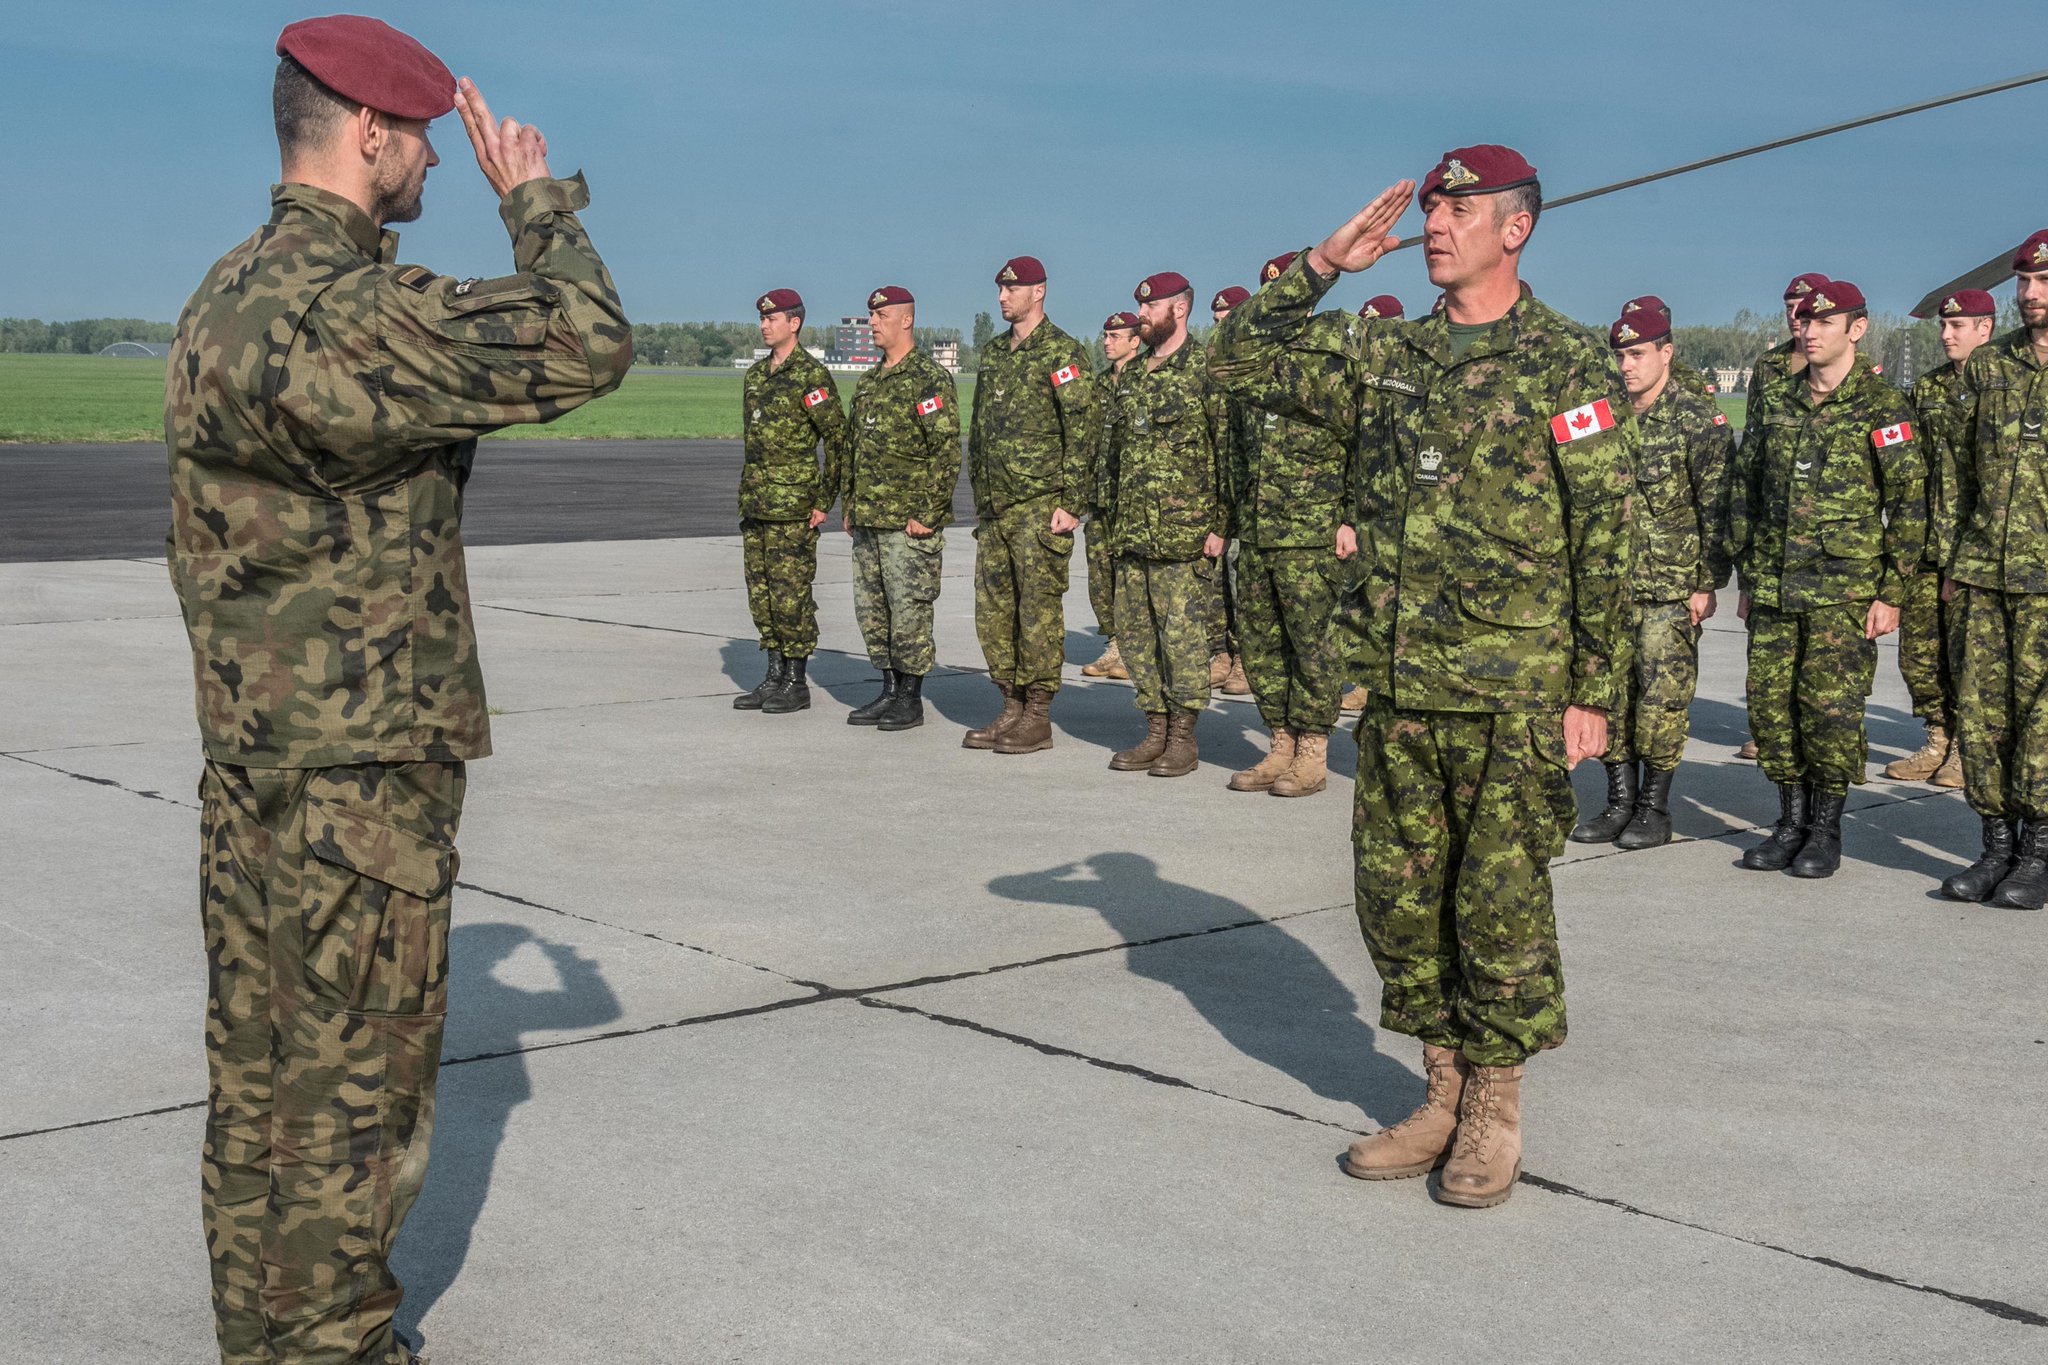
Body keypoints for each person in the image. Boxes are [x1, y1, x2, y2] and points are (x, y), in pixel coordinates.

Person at [164, 17, 631, 1362]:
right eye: (418, 133)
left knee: (261, 1079)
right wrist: (532, 198)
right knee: (356, 1091)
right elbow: (586, 338)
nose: (431, 156)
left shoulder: (220, 298)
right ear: (369, 134)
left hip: (250, 764)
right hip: (362, 776)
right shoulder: (363, 311)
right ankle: (335, 1346)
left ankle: (261, 1340)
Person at [1213, 146, 1636, 1209]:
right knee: (1397, 907)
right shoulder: (1385, 353)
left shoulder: (1566, 361)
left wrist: (1589, 689)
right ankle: (1438, 1091)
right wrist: (1321, 264)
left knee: (1494, 911)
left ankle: (1493, 1110)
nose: (1434, 224)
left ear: (1516, 227)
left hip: (1511, 689)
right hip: (1398, 686)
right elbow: (1233, 361)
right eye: (1431, 208)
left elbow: (1606, 531)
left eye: (1458, 209)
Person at [1730, 281, 1924, 878]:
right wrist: (1746, 573)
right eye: (1804, 321)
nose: (1809, 330)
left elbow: (1911, 503)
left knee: (1830, 713)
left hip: (1842, 592)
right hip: (1773, 586)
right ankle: (1788, 822)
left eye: (1825, 321)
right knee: (1772, 708)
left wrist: (1892, 591)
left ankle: (1825, 830)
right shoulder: (1776, 400)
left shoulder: (1882, 406)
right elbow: (1747, 488)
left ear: (1856, 329)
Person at [1569, 305, 1733, 847]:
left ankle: (1653, 809)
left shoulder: (1697, 420)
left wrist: (1706, 582)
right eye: (1619, 355)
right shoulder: (1597, 416)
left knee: (1661, 699)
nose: (1626, 366)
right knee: (1611, 694)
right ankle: (1617, 801)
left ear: (1666, 352)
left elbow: (1716, 507)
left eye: (1637, 354)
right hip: (1608, 586)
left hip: (1669, 586)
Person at [1224, 251, 1357, 797]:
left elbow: (1360, 443)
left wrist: (1348, 518)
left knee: (1313, 644)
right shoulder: (1250, 369)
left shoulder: (1331, 356)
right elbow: (1236, 452)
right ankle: (1279, 743)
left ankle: (1313, 752)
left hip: (1312, 530)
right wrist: (1233, 520)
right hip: (1258, 530)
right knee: (1259, 642)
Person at [1941, 235, 2048, 906]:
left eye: (2043, 281)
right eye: (2024, 282)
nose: (2031, 294)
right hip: (1986, 572)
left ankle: (2037, 851)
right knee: (1981, 717)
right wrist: (1954, 558)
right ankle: (1995, 847)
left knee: (2043, 724)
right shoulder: (1991, 366)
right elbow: (1954, 469)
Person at [962, 256, 1098, 752]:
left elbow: (1082, 431)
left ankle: (1037, 715)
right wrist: (979, 494)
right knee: (994, 612)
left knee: (1037, 612)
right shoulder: (996, 353)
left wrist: (1073, 503)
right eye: (1000, 289)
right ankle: (1010, 707)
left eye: (1012, 289)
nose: (1002, 297)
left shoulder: (1062, 352)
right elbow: (979, 431)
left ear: (1038, 292)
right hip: (997, 509)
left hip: (1041, 505)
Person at [1104, 271, 1230, 777]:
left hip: (1185, 535)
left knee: (1182, 639)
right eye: (1140, 307)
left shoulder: (1206, 370)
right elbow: (1117, 455)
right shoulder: (1132, 375)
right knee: (1137, 636)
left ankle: (1183, 738)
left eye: (1150, 308)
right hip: (1134, 532)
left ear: (1179, 310)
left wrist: (1222, 524)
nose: (1141, 316)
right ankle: (1154, 729)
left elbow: (1227, 452)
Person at [1887, 290, 1995, 785]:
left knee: (1971, 658)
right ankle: (1938, 738)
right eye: (1944, 327)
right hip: (1928, 543)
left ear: (1985, 329)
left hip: (1981, 549)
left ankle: (1968, 752)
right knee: (1920, 654)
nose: (1947, 335)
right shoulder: (1926, 390)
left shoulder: (2001, 385)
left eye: (1958, 326)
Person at [843, 285, 962, 732]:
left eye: (881, 316)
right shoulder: (870, 381)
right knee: (873, 611)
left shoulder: (928, 379)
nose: (873, 322)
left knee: (909, 610)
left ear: (906, 320)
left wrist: (928, 513)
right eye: (871, 316)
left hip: (908, 523)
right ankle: (888, 688)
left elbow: (945, 451)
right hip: (871, 519)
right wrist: (850, 502)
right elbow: (857, 448)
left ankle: (910, 697)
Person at [1731, 273, 1830, 760]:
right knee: (1766, 641)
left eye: (1806, 307)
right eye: (1791, 305)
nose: (1797, 315)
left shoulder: (1853, 372)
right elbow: (1753, 442)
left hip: (1825, 538)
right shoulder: (1768, 366)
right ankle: (1766, 728)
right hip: (1773, 525)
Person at [736, 288, 849, 714]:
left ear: (794, 323)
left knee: (791, 595)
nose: (764, 324)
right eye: (762, 319)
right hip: (757, 504)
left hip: (793, 508)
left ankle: (796, 682)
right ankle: (773, 675)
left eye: (772, 318)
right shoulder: (755, 377)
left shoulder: (812, 377)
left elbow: (837, 441)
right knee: (761, 594)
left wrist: (825, 499)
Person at [1081, 312, 1142, 680]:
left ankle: (1133, 650)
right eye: (1105, 335)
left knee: (1132, 576)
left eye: (1116, 335)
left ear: (1135, 341)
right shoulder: (1098, 384)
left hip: (1133, 499)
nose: (1107, 342)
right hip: (1100, 497)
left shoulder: (1147, 380)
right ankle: (1115, 643)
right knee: (1101, 573)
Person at [1203, 285, 1254, 694]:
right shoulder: (1212, 370)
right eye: (1217, 322)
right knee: (1216, 583)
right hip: (1213, 490)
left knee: (1242, 581)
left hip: (1246, 494)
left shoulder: (1252, 368)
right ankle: (1221, 653)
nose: (1221, 328)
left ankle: (1244, 659)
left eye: (1228, 321)